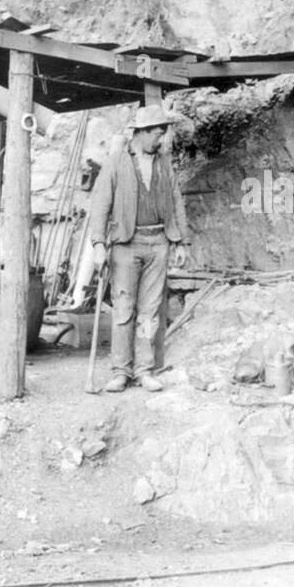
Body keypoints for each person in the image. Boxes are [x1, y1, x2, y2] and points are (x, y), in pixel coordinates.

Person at [88, 104, 190, 393]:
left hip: (159, 243)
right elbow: (100, 204)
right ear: (143, 132)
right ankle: (121, 371)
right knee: (123, 309)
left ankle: (144, 370)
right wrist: (97, 243)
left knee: (150, 312)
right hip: (125, 245)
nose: (162, 139)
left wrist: (180, 240)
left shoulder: (164, 163)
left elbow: (176, 200)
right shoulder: (116, 162)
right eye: (158, 133)